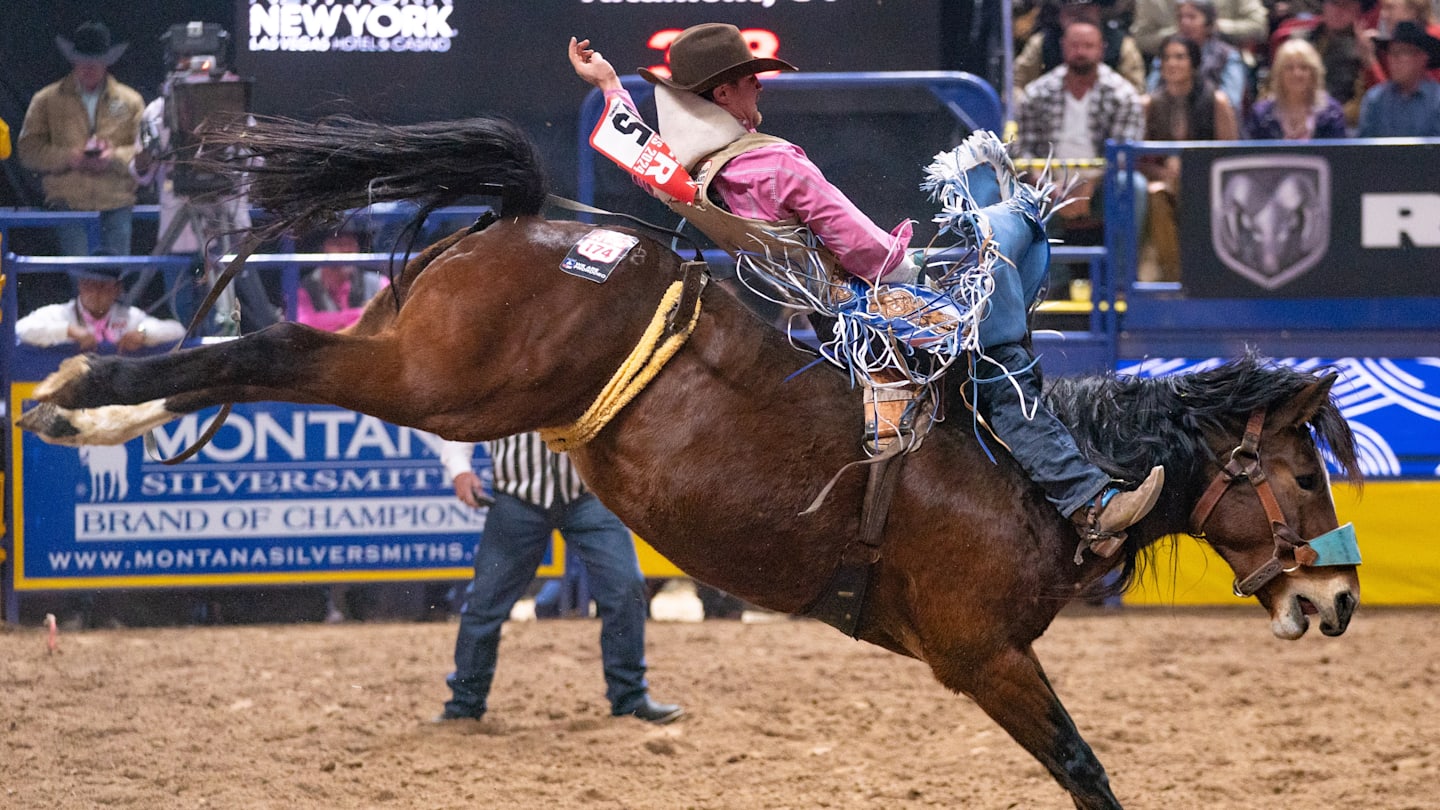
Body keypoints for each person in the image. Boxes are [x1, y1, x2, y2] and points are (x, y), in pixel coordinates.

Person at [573, 23, 1164, 550]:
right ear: (722, 94)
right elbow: (861, 246)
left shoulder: (687, 174)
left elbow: (633, 146)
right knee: (998, 368)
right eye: (751, 80)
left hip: (818, 317)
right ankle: (1090, 504)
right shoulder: (776, 166)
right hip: (867, 309)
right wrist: (914, 274)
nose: (761, 88)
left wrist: (608, 86)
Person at [433, 434, 684, 725]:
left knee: (626, 587)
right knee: (484, 602)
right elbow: (469, 414)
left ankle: (630, 700)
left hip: (587, 495)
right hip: (518, 499)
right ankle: (464, 706)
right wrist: (459, 469)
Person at [1015, 19, 1146, 248]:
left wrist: (1089, 184)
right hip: (1048, 183)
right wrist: (1046, 184)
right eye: (1075, 45)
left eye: (1088, 46)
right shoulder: (1036, 94)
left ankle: (1122, 280)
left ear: (1101, 49)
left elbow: (1124, 154)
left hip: (1102, 183)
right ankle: (1048, 281)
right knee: (1015, 190)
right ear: (1063, 46)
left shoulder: (1123, 95)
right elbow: (1024, 150)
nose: (1081, 52)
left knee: (1132, 185)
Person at [17, 22, 143, 257]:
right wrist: (70, 158)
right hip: (68, 204)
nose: (88, 68)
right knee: (81, 278)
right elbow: (28, 150)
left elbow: (146, 152)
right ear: (73, 60)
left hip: (117, 202)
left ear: (107, 62)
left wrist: (113, 157)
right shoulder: (46, 100)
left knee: (114, 281)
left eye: (94, 62)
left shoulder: (131, 101)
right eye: (83, 61)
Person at [1139, 35, 1240, 281]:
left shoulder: (1217, 101)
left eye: (1180, 57)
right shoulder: (1149, 104)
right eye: (1167, 58)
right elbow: (1137, 158)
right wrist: (1163, 173)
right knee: (1155, 195)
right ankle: (1176, 279)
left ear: (1194, 63)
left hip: (1209, 182)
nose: (1172, 63)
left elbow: (1233, 156)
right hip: (1163, 182)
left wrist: (1193, 169)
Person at [14, 257, 185, 352]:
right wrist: (68, 331)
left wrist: (143, 334)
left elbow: (177, 331)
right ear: (80, 285)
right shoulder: (59, 314)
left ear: (117, 290)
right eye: (89, 285)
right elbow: (21, 329)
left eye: (103, 286)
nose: (95, 292)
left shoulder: (129, 316)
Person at [1272, 0, 1378, 127]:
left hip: (1342, 125)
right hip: (1292, 117)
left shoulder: (1367, 46)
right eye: (1334, 3)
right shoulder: (1298, 39)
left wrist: (1368, 60)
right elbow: (1274, 85)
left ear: (1358, 9)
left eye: (1347, 5)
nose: (1339, 11)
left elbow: (1379, 98)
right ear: (1324, 5)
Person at [1014, 0, 1148, 98]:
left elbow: (1136, 92)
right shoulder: (1041, 43)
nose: (1078, 13)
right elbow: (1016, 87)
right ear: (1061, 12)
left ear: (1098, 10)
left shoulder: (1123, 45)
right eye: (1070, 8)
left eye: (1086, 8)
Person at [1147, 0, 1250, 110]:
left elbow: (1231, 102)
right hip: (1170, 116)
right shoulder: (1167, 54)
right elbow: (1151, 95)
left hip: (1212, 120)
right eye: (1180, 17)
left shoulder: (1228, 56)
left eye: (1192, 17)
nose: (1184, 23)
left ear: (1208, 23)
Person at [1245, 38, 1350, 137]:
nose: (1296, 73)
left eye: (1304, 67)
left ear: (1314, 73)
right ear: (1279, 74)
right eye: (1289, 68)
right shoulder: (1261, 115)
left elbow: (1340, 154)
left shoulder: (1332, 113)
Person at [295, 227, 388, 332]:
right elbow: (304, 325)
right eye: (337, 244)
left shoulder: (379, 283)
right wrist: (363, 314)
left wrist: (326, 320)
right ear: (323, 248)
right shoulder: (304, 287)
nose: (346, 250)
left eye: (351, 243)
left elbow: (389, 321)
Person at [1356, 20, 1440, 134]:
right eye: (1391, 53)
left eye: (1402, 52)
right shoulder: (1375, 100)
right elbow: (1363, 148)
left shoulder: (1436, 101)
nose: (1394, 59)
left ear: (1422, 57)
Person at [1132, 0, 1270, 57]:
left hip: (1227, 56)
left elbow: (1259, 27)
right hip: (1168, 61)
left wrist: (1212, 26)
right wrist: (1179, 33)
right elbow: (1141, 39)